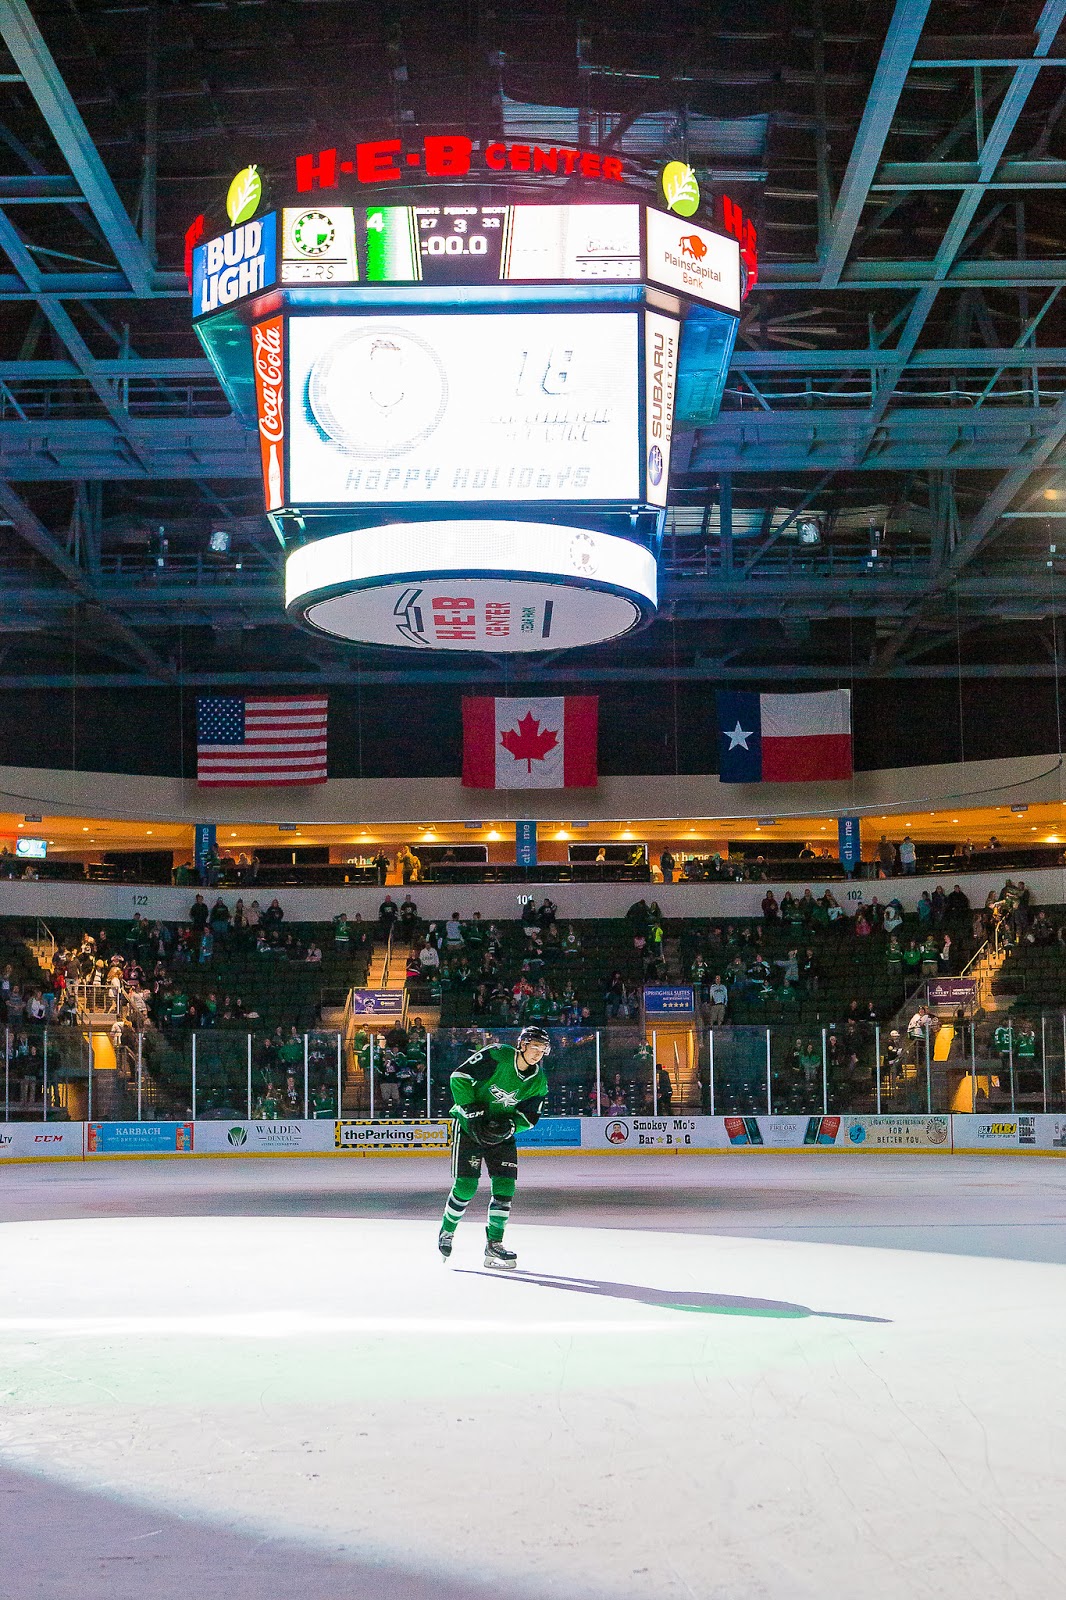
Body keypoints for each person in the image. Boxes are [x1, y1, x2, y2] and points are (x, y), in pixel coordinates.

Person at [438, 1025, 551, 1270]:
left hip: (501, 1134)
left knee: (505, 1187)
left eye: (542, 1050)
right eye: (534, 1047)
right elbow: (459, 1077)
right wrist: (470, 1110)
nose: (538, 1054)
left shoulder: (538, 1080)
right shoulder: (498, 1054)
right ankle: (447, 1231)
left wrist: (510, 1127)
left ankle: (494, 1243)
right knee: (466, 1187)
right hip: (471, 1129)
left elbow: (530, 1117)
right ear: (522, 1045)